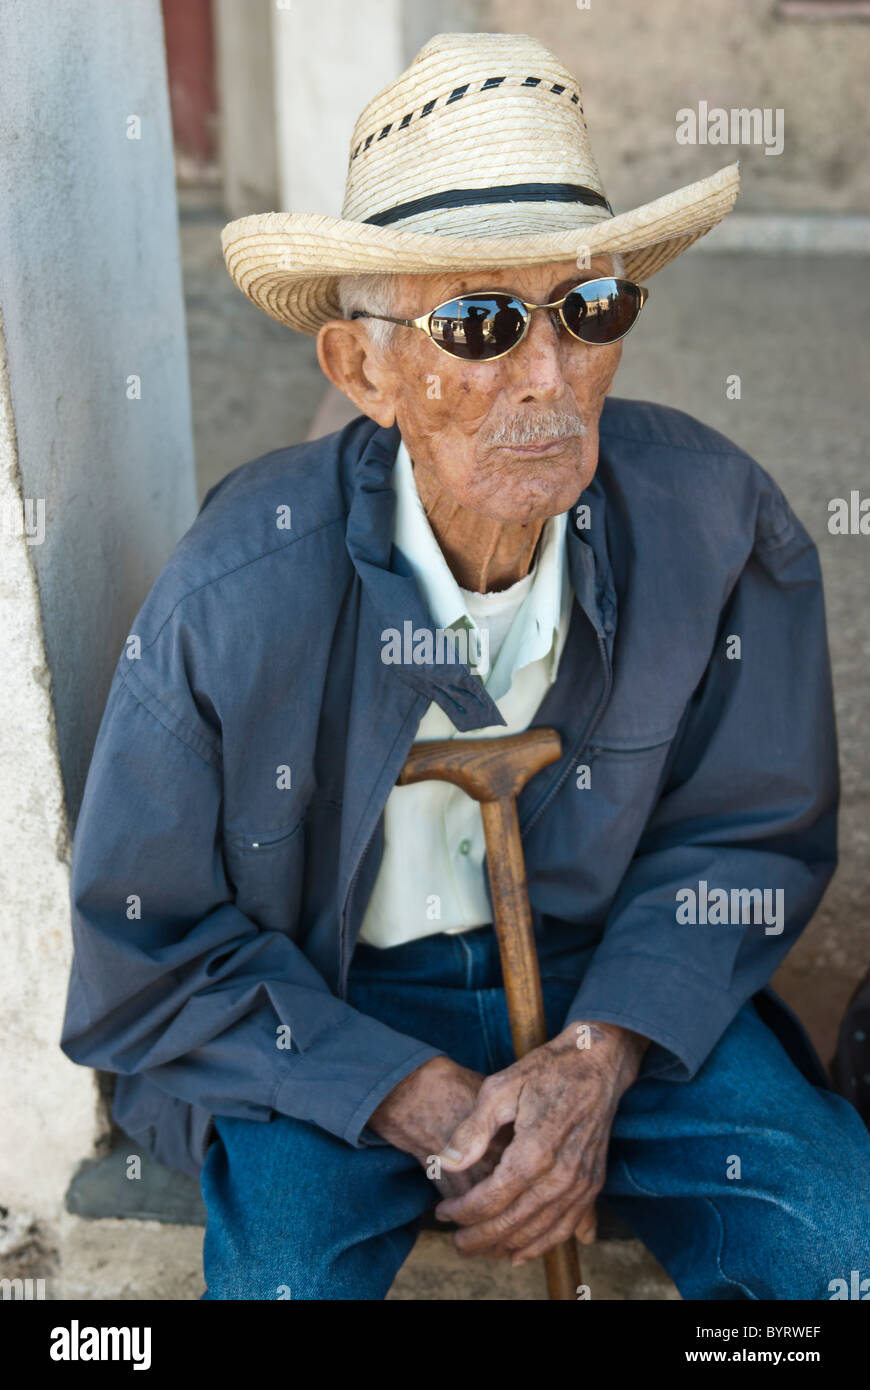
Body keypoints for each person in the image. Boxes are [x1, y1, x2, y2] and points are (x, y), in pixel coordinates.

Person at [61, 32, 870, 1300]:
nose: (547, 376)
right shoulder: (233, 595)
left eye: (588, 309)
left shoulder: (720, 524)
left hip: (619, 991)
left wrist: (602, 1050)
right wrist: (388, 1087)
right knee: (280, 1282)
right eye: (481, 323)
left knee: (836, 1245)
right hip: (333, 1017)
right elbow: (143, 941)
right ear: (363, 369)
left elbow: (750, 840)